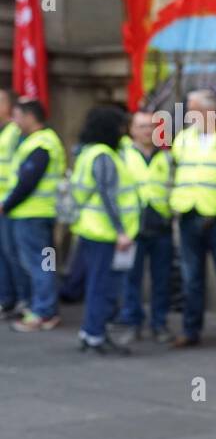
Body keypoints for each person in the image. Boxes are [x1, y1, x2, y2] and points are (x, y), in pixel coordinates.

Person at [169, 88, 216, 347]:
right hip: (188, 215)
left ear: (209, 111)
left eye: (193, 109)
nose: (189, 114)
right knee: (191, 278)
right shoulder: (183, 138)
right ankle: (191, 330)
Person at [69, 106, 139, 355]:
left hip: (92, 229)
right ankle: (96, 334)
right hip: (106, 234)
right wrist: (121, 231)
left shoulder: (89, 152)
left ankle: (90, 332)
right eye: (121, 126)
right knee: (104, 286)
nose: (125, 131)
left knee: (97, 284)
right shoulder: (104, 156)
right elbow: (108, 196)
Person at [3, 98, 67, 332]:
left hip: (32, 216)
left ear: (30, 116)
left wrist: (6, 205)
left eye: (18, 116)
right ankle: (44, 307)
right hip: (41, 215)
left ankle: (43, 311)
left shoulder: (41, 143)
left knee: (40, 264)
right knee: (47, 262)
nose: (15, 121)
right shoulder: (40, 140)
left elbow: (27, 181)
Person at [112, 111, 175, 343]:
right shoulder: (121, 155)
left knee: (162, 280)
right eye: (141, 126)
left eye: (151, 126)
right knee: (131, 278)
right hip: (132, 228)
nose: (147, 131)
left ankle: (159, 324)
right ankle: (132, 322)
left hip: (161, 226)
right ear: (131, 130)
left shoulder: (167, 156)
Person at [0, 88, 29, 319]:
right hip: (7, 204)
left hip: (15, 206)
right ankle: (6, 298)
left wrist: (7, 201)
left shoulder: (14, 133)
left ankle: (27, 300)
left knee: (20, 255)